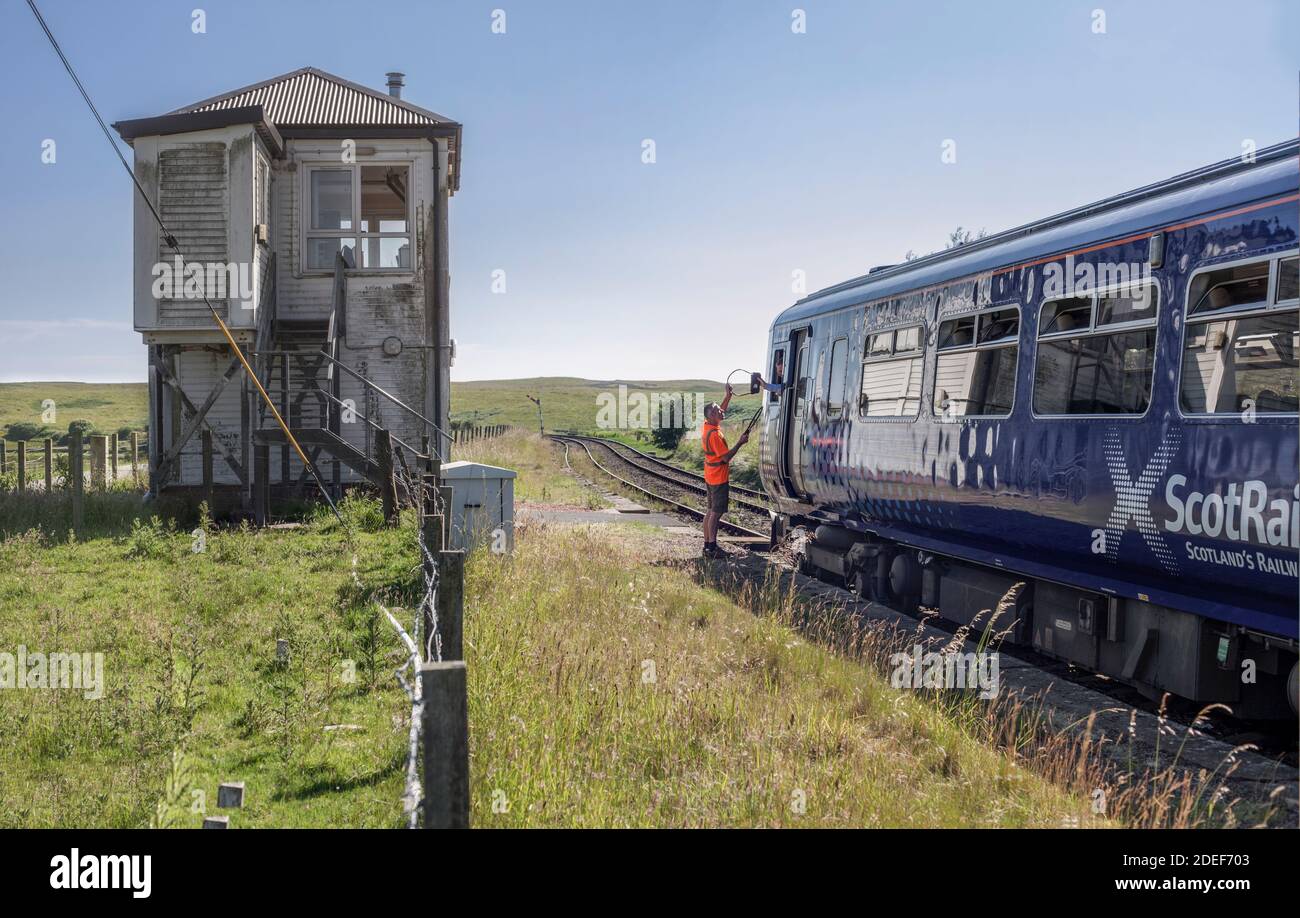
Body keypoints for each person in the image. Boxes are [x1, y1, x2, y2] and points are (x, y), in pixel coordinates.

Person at [700, 384, 750, 558]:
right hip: (718, 477)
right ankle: (712, 548)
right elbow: (725, 458)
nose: (721, 410)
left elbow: (720, 411)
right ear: (713, 415)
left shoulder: (708, 426)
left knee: (710, 511)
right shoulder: (714, 435)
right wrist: (740, 442)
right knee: (716, 513)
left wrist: (727, 396)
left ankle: (707, 545)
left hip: (710, 475)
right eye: (717, 409)